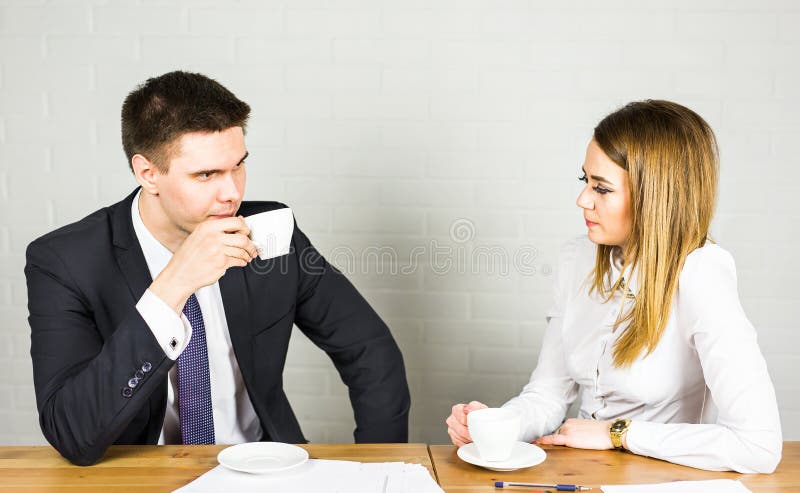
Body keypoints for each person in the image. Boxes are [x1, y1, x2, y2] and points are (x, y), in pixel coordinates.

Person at [25, 71, 410, 466]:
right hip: (137, 474)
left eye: (238, 166)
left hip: (265, 466)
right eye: (206, 175)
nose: (232, 193)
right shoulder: (64, 261)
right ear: (148, 173)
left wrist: (380, 467)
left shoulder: (272, 234)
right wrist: (174, 285)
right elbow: (71, 432)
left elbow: (370, 350)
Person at [445, 100, 782, 473]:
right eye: (584, 181)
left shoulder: (701, 273)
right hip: (584, 474)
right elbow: (547, 395)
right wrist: (497, 426)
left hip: (666, 480)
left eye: (601, 188)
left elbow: (758, 446)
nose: (582, 200)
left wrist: (617, 433)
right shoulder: (577, 259)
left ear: (655, 197)